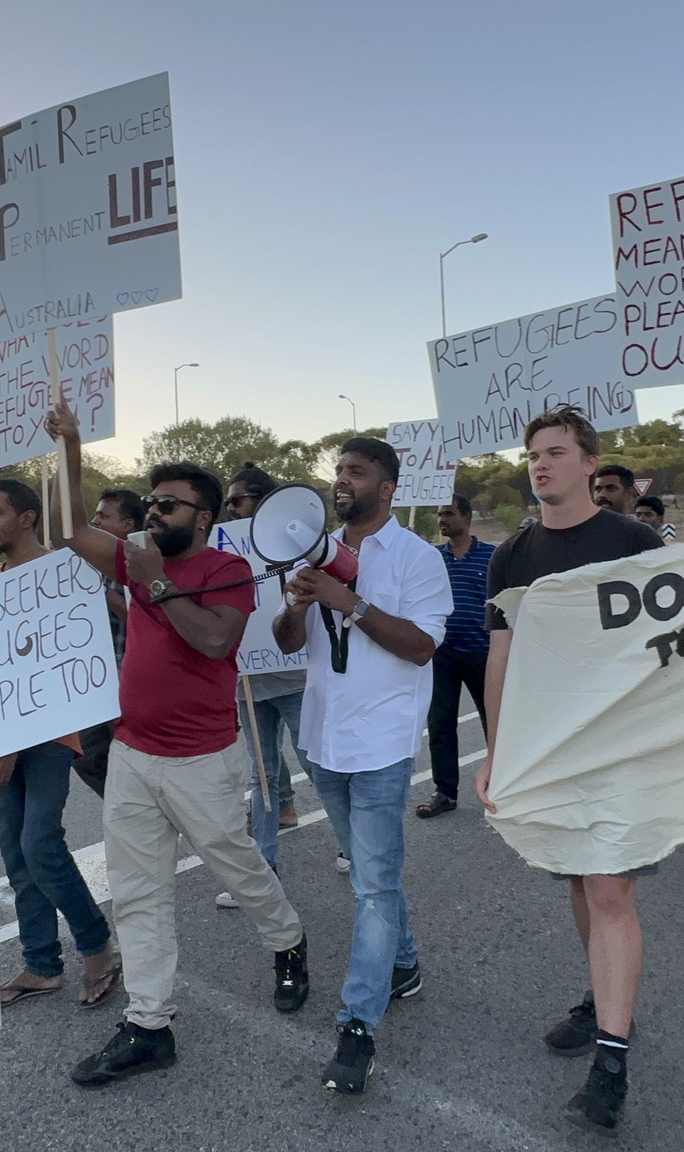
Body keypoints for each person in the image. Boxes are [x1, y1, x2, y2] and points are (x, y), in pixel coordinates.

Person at [44, 399, 310, 1088]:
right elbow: (72, 528)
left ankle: (286, 940)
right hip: (134, 755)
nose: (154, 512)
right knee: (137, 892)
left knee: (236, 866)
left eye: (170, 504)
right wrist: (70, 446)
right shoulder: (136, 560)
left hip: (202, 759)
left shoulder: (225, 571)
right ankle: (148, 1024)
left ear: (206, 518)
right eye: (152, 501)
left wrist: (154, 578)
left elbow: (216, 639)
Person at [474, 406, 665, 1135]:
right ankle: (600, 996)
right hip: (550, 747)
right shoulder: (511, 555)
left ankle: (611, 1060)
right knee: (582, 879)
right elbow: (501, 657)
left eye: (555, 452)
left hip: (618, 745)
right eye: (531, 454)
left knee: (611, 886)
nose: (539, 464)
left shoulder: (634, 541)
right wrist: (499, 750)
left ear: (591, 464)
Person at [272, 436, 452, 1095]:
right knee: (368, 873)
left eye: (357, 471)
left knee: (373, 885)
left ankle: (357, 1027)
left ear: (388, 486)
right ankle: (402, 965)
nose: (342, 480)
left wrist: (350, 602)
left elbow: (423, 645)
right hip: (324, 739)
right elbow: (288, 644)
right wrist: (299, 604)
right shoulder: (314, 556)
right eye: (339, 470)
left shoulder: (416, 556)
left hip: (381, 742)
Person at [0, 480, 118, 1010]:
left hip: (50, 734)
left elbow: (61, 667)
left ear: (27, 518)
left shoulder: (63, 574)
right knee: (13, 852)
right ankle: (41, 964)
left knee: (38, 843)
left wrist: (11, 743)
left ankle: (96, 946)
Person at [225, 464, 308, 873]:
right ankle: (266, 866)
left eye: (238, 500)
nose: (231, 508)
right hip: (248, 681)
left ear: (263, 501)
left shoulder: (297, 542)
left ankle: (352, 847)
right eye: (227, 502)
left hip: (293, 676)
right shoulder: (223, 549)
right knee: (262, 776)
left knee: (316, 762)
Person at [416, 494, 496, 818]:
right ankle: (445, 792)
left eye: (448, 513)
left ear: (466, 516)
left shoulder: (492, 556)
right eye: (439, 514)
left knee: (494, 722)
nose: (442, 520)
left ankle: (505, 785)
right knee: (440, 724)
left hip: (483, 652)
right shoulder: (432, 558)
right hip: (443, 653)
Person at [71, 488, 144, 800]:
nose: (95, 520)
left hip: (131, 681)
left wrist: (94, 589)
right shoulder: (83, 563)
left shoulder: (139, 563)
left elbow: (137, 615)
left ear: (127, 525)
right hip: (95, 684)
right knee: (86, 753)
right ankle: (127, 806)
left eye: (103, 516)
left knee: (140, 758)